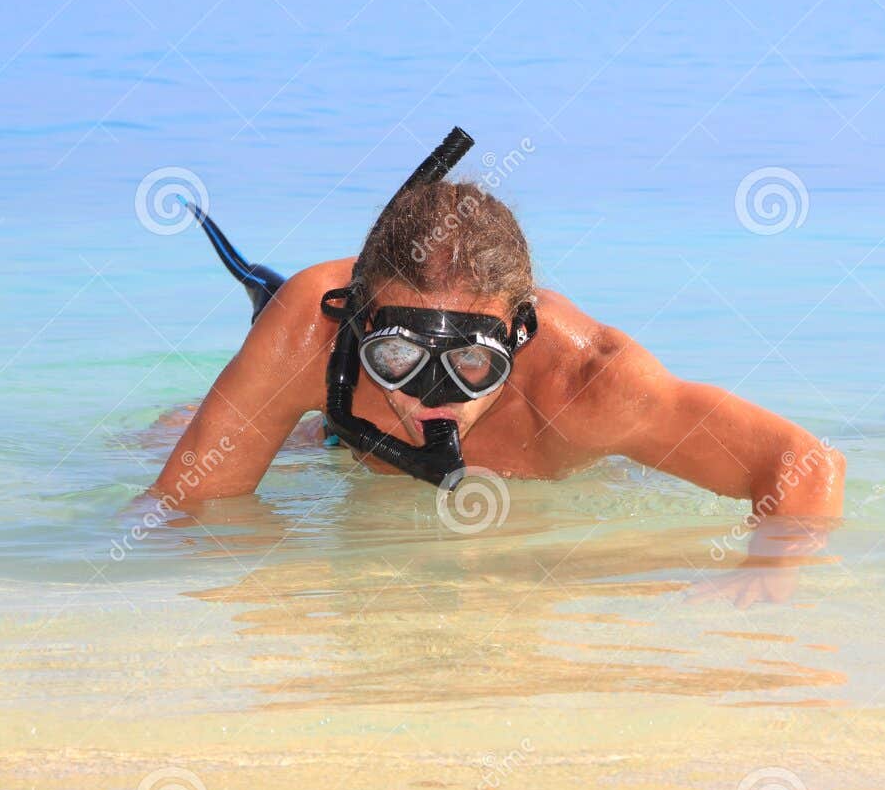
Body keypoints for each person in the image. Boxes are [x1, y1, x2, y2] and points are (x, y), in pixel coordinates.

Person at [153, 148, 844, 526]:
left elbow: (805, 466)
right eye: (396, 357)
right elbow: (180, 507)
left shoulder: (589, 384)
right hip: (343, 424)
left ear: (518, 338)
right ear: (358, 324)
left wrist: (772, 586)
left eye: (471, 365)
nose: (432, 399)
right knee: (169, 437)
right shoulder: (314, 326)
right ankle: (306, 420)